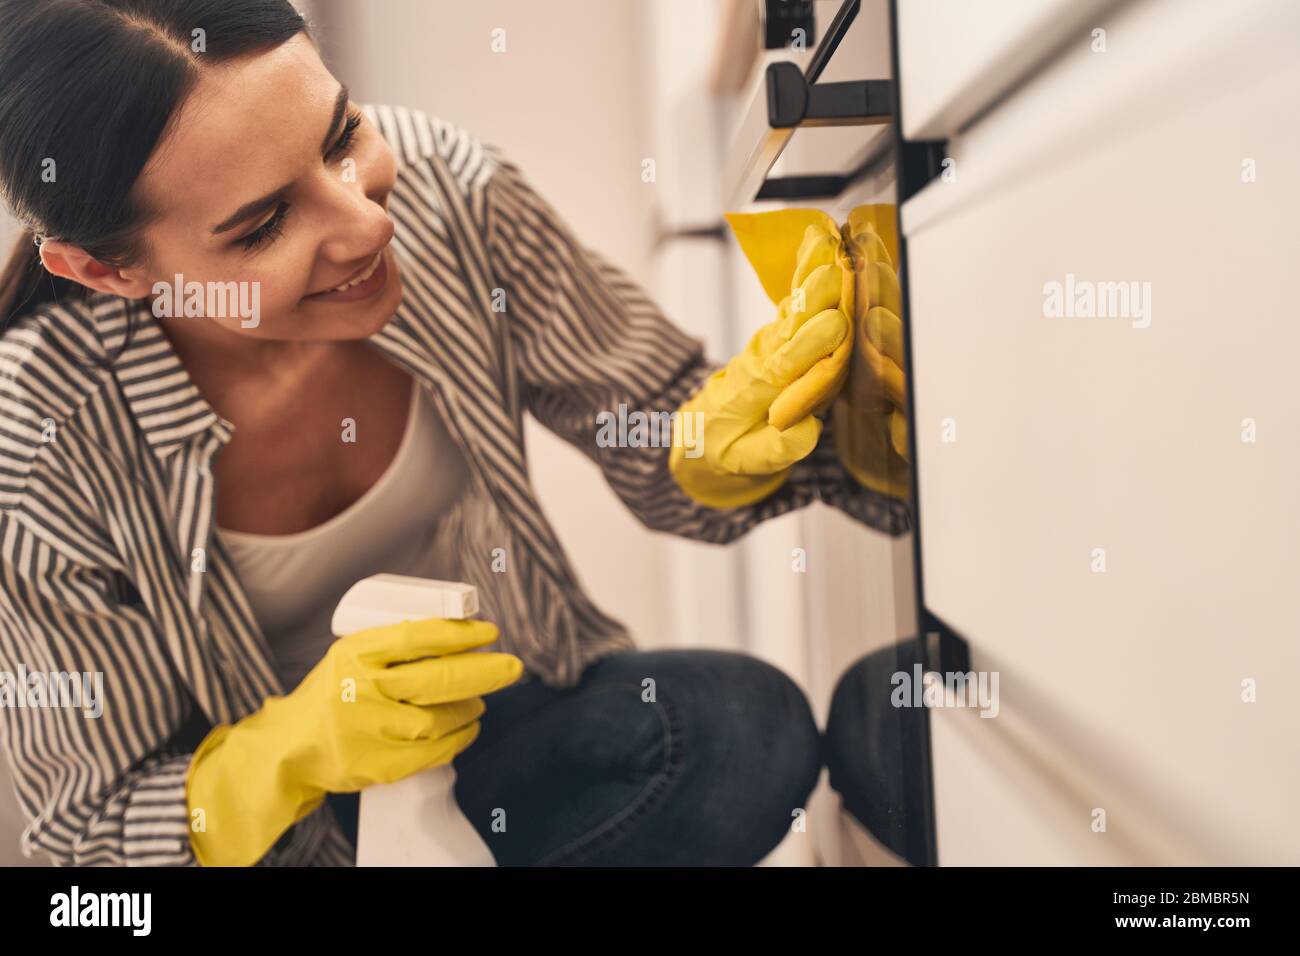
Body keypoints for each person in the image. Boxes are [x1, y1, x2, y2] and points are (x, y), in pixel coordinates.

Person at [0, 0, 907, 866]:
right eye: (265, 224)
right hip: (290, 847)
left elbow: (650, 415)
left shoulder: (449, 187)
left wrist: (706, 446)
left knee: (739, 732)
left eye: (342, 135)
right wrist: (286, 756)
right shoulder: (33, 439)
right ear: (104, 270)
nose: (369, 222)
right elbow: (93, 841)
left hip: (499, 746)